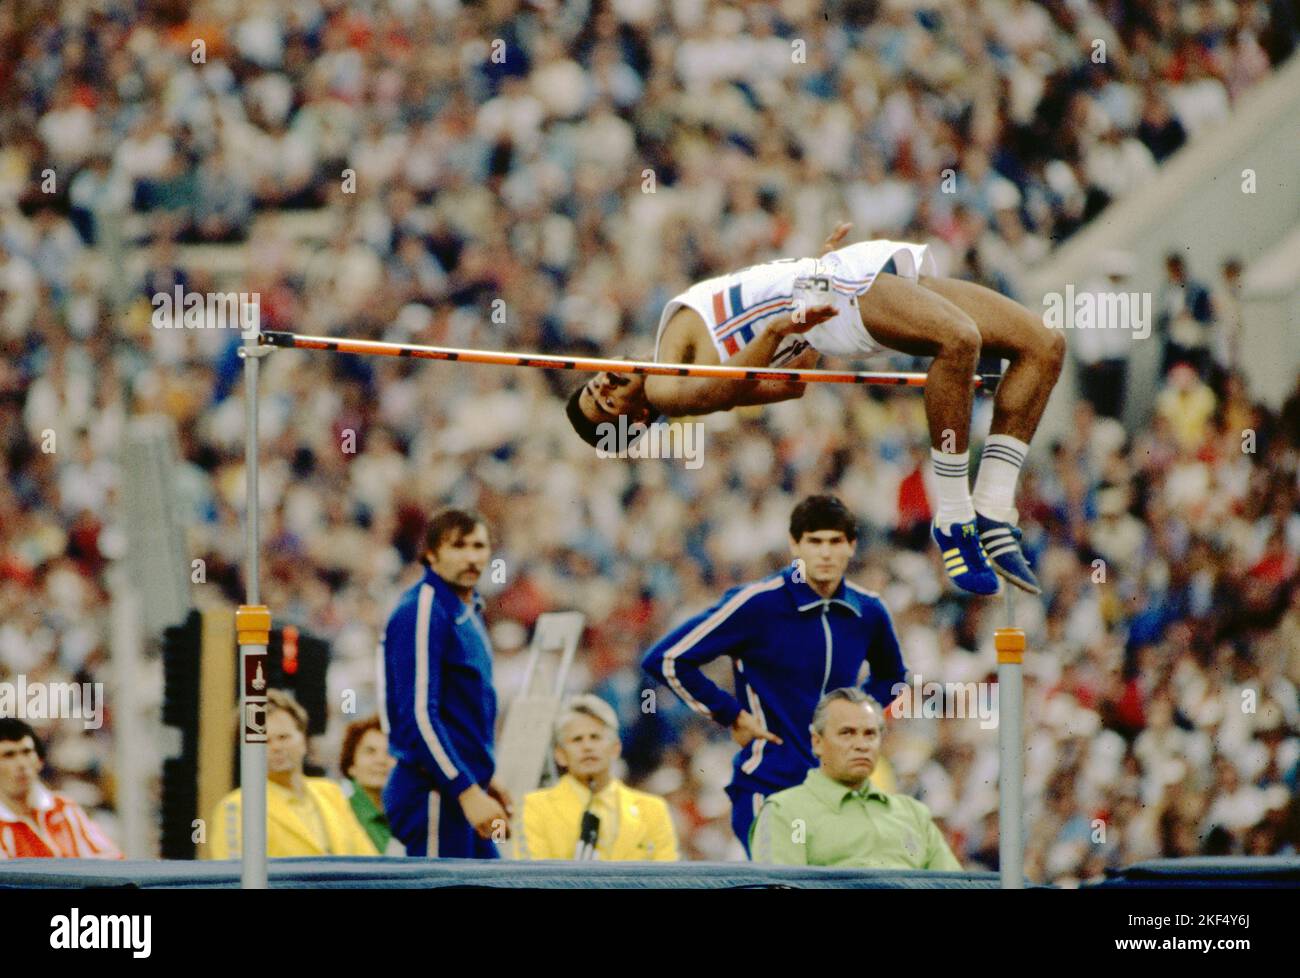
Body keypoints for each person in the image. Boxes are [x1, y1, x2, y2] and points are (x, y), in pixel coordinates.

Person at [567, 223, 1064, 596]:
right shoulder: (666, 390)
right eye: (605, 402)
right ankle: (954, 517)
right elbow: (722, 387)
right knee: (959, 340)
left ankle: (995, 509)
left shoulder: (676, 360)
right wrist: (782, 325)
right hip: (834, 296)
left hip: (830, 282)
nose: (604, 381)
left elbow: (793, 383)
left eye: (593, 385)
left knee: (1043, 345)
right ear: (633, 421)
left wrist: (804, 286)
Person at [641, 495, 906, 854]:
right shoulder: (760, 603)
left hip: (839, 793)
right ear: (795, 545)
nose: (825, 553)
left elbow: (893, 677)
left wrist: (856, 718)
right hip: (770, 786)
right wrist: (730, 714)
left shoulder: (868, 610)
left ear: (852, 546)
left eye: (835, 541)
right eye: (814, 541)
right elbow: (668, 658)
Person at [379, 507, 512, 858]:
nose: (471, 557)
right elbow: (420, 715)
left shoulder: (466, 610)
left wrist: (483, 778)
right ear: (431, 554)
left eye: (479, 546)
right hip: (434, 792)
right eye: (458, 546)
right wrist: (466, 789)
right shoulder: (423, 609)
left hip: (459, 788)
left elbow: (464, 713)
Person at [751, 689, 961, 870]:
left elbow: (954, 883)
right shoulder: (785, 812)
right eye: (847, 733)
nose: (862, 745)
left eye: (870, 734)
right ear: (817, 742)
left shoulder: (914, 814)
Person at [206, 690, 378, 859]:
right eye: (264, 741)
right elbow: (235, 876)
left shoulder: (331, 792)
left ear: (303, 739)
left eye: (284, 737)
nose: (276, 748)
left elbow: (368, 861)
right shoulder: (238, 807)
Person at [517, 694, 678, 861]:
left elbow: (666, 880)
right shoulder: (534, 808)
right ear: (560, 755)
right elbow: (535, 879)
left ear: (615, 748)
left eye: (595, 737)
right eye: (577, 739)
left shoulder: (653, 811)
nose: (587, 747)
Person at [0, 718, 121, 859]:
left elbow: (112, 859)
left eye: (27, 752)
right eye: (9, 755)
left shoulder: (64, 808)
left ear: (40, 761)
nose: (21, 764)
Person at [339, 716, 403, 856]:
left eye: (390, 753)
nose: (381, 761)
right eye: (370, 751)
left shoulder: (408, 814)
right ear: (351, 765)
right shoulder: (338, 808)